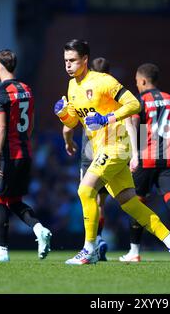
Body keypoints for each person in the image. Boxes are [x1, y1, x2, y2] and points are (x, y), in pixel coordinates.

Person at [54, 39, 170, 266]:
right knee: (130, 203)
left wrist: (107, 118)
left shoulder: (103, 81)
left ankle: (89, 250)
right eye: (65, 61)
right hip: (100, 148)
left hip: (115, 145)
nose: (68, 65)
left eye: (72, 60)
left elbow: (134, 104)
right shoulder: (72, 86)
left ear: (85, 60)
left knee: (85, 190)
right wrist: (64, 115)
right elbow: (77, 121)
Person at [62, 57, 139, 261]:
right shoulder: (112, 91)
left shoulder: (97, 88)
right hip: (113, 149)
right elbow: (130, 124)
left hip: (94, 150)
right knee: (109, 200)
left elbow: (68, 126)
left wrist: (68, 141)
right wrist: (134, 154)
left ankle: (94, 243)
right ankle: (97, 242)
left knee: (91, 195)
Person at [0, 49, 52, 262]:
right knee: (13, 200)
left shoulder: (0, 93)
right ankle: (39, 229)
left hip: (7, 155)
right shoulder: (27, 90)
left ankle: (1, 251)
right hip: (25, 152)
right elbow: (30, 123)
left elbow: (0, 128)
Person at [119, 63, 170, 263]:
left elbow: (132, 126)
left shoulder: (140, 101)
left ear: (142, 81)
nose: (137, 86)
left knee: (137, 203)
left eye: (136, 82)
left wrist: (133, 153)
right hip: (168, 158)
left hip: (145, 158)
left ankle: (134, 251)